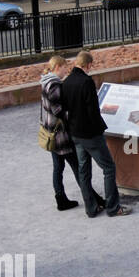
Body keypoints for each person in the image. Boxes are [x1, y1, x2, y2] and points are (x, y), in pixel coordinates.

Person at [60, 50, 132, 218]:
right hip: (90, 134)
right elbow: (93, 111)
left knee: (84, 171)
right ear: (89, 65)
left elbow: (65, 108)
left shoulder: (67, 81)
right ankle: (113, 208)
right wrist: (100, 128)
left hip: (76, 133)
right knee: (108, 167)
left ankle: (91, 208)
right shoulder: (87, 82)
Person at [40, 55, 88, 212]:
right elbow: (58, 110)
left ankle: (61, 199)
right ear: (57, 67)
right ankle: (91, 197)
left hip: (51, 131)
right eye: (65, 67)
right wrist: (74, 115)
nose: (66, 70)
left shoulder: (45, 81)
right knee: (77, 166)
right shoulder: (54, 85)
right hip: (60, 134)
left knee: (58, 167)